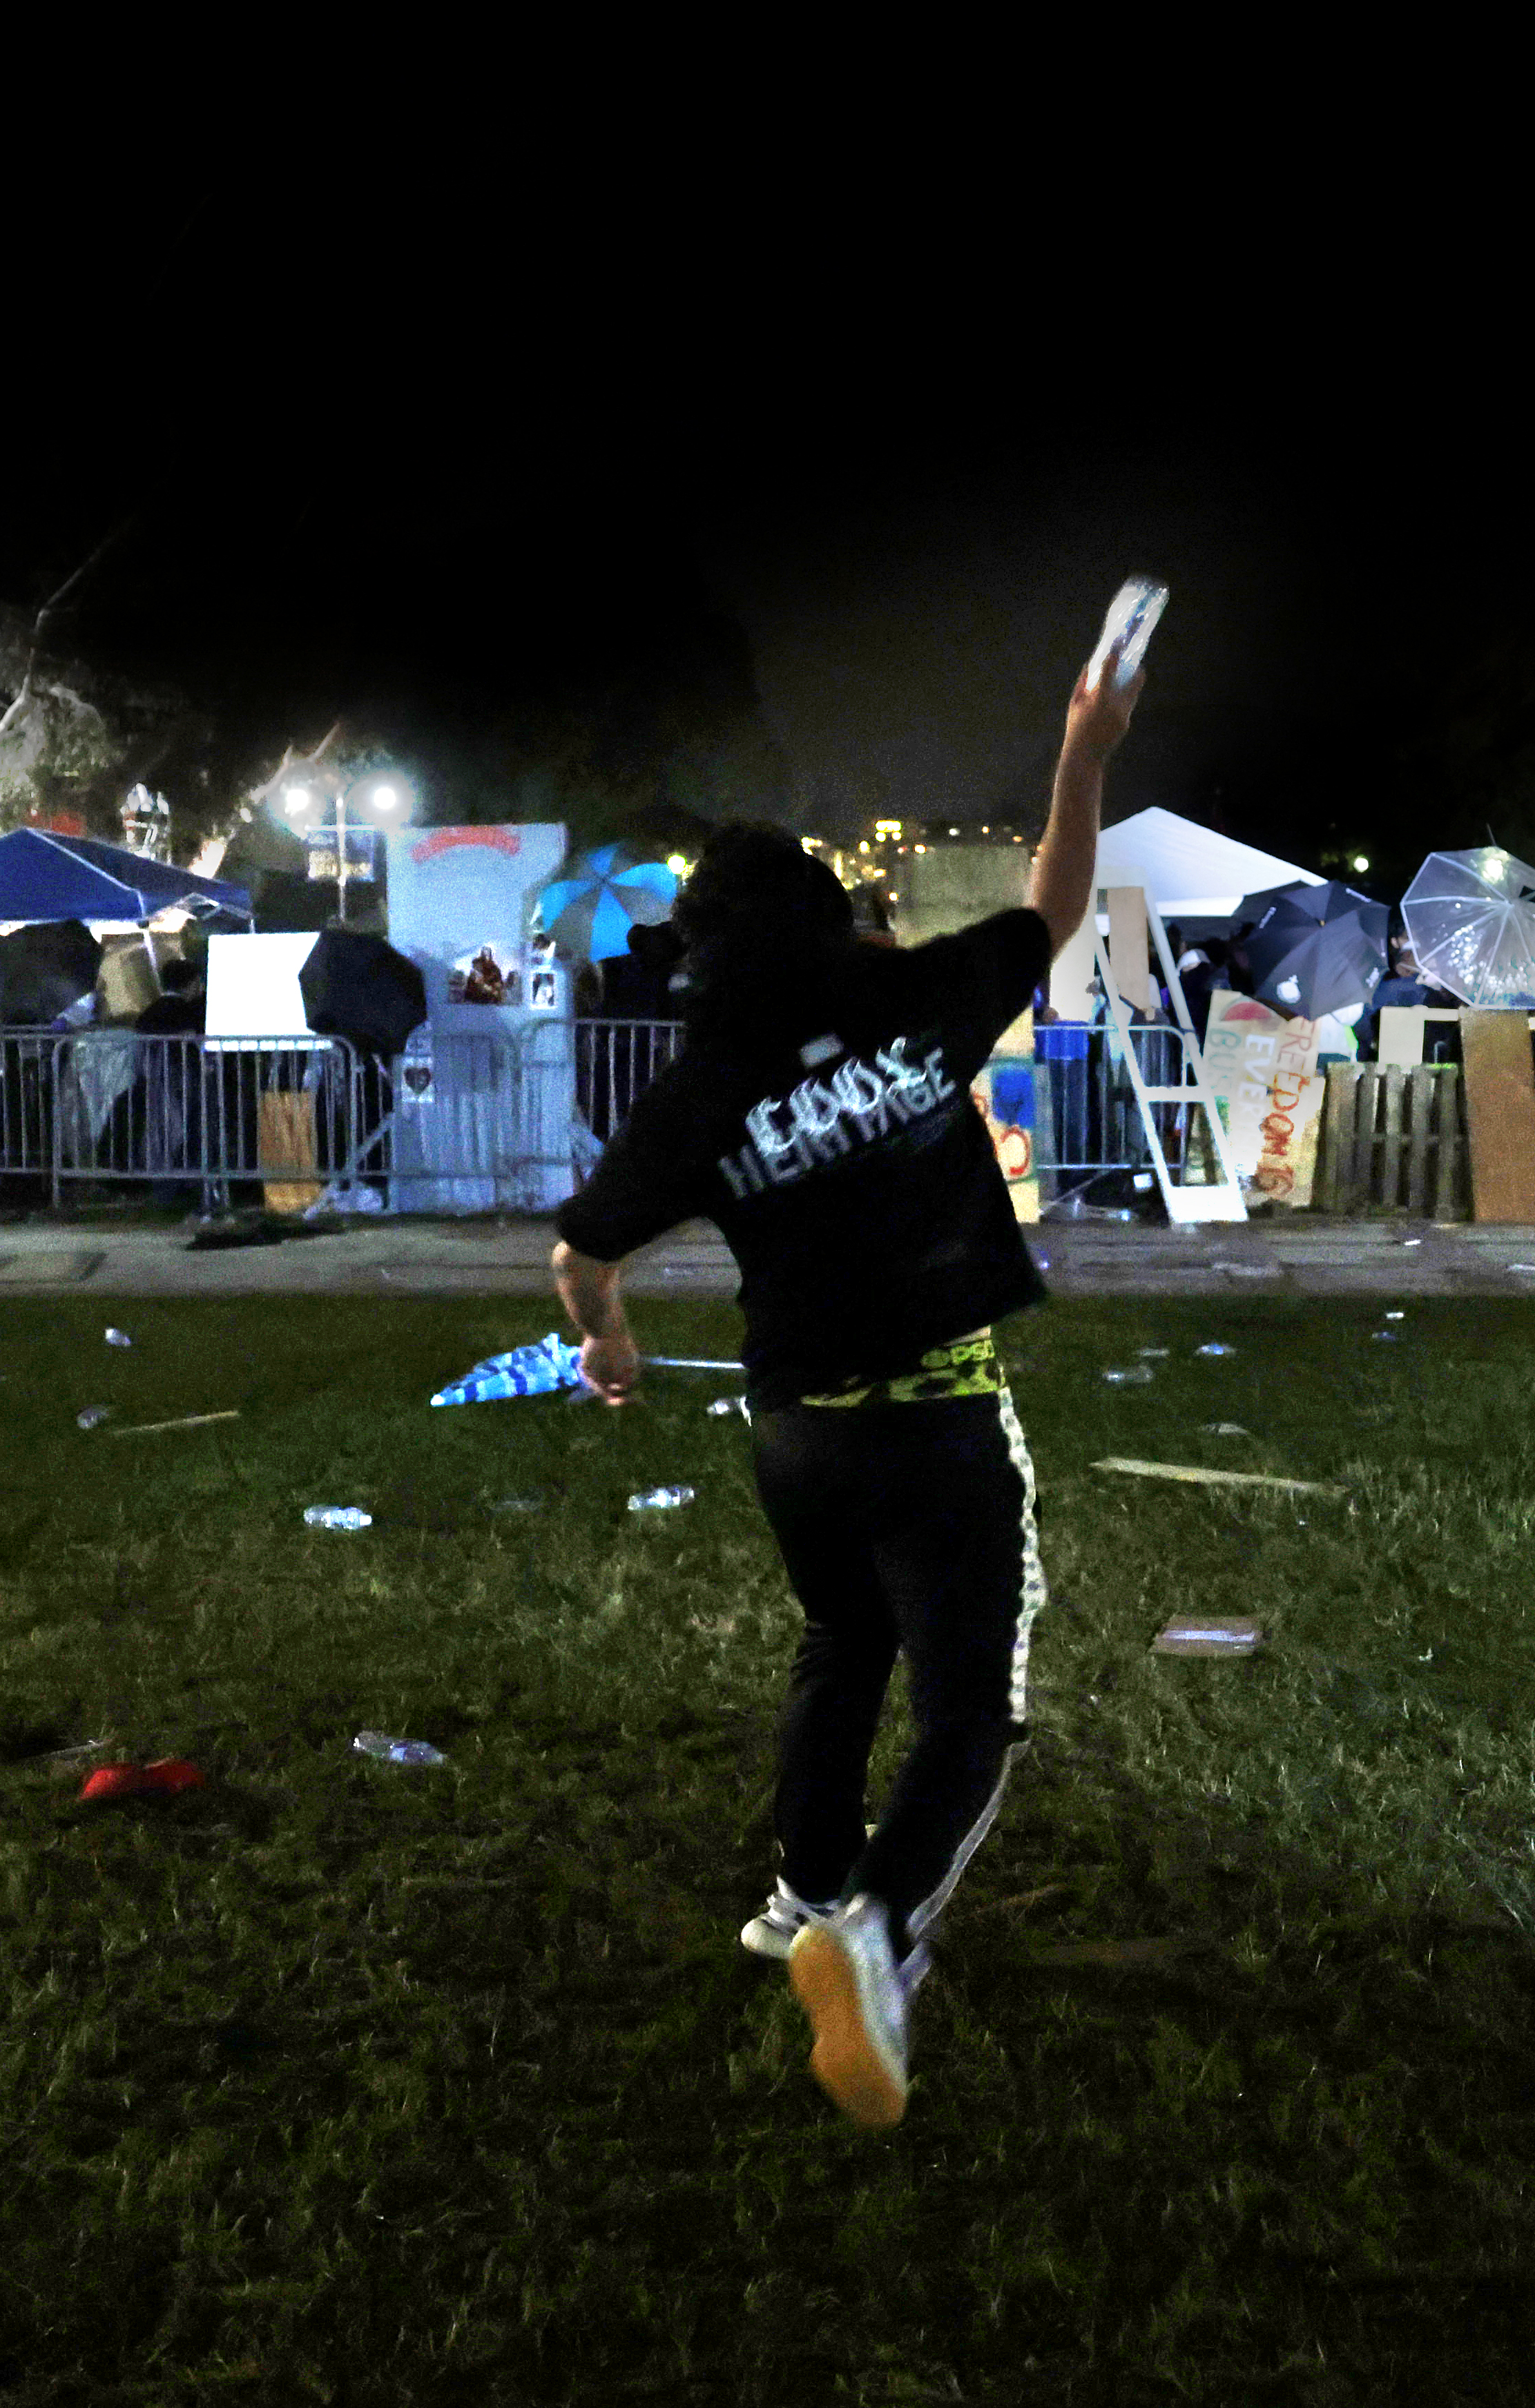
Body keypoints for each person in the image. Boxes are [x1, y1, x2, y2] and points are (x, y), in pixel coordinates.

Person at [548, 639, 1137, 2129]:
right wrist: (1083, 749)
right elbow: (1051, 907)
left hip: (796, 1434)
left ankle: (799, 1892)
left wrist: (607, 1339)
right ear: (827, 914)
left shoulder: (699, 1084)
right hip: (937, 1418)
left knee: (837, 1641)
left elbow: (583, 1246)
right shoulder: (913, 1006)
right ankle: (872, 1930)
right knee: (970, 1716)